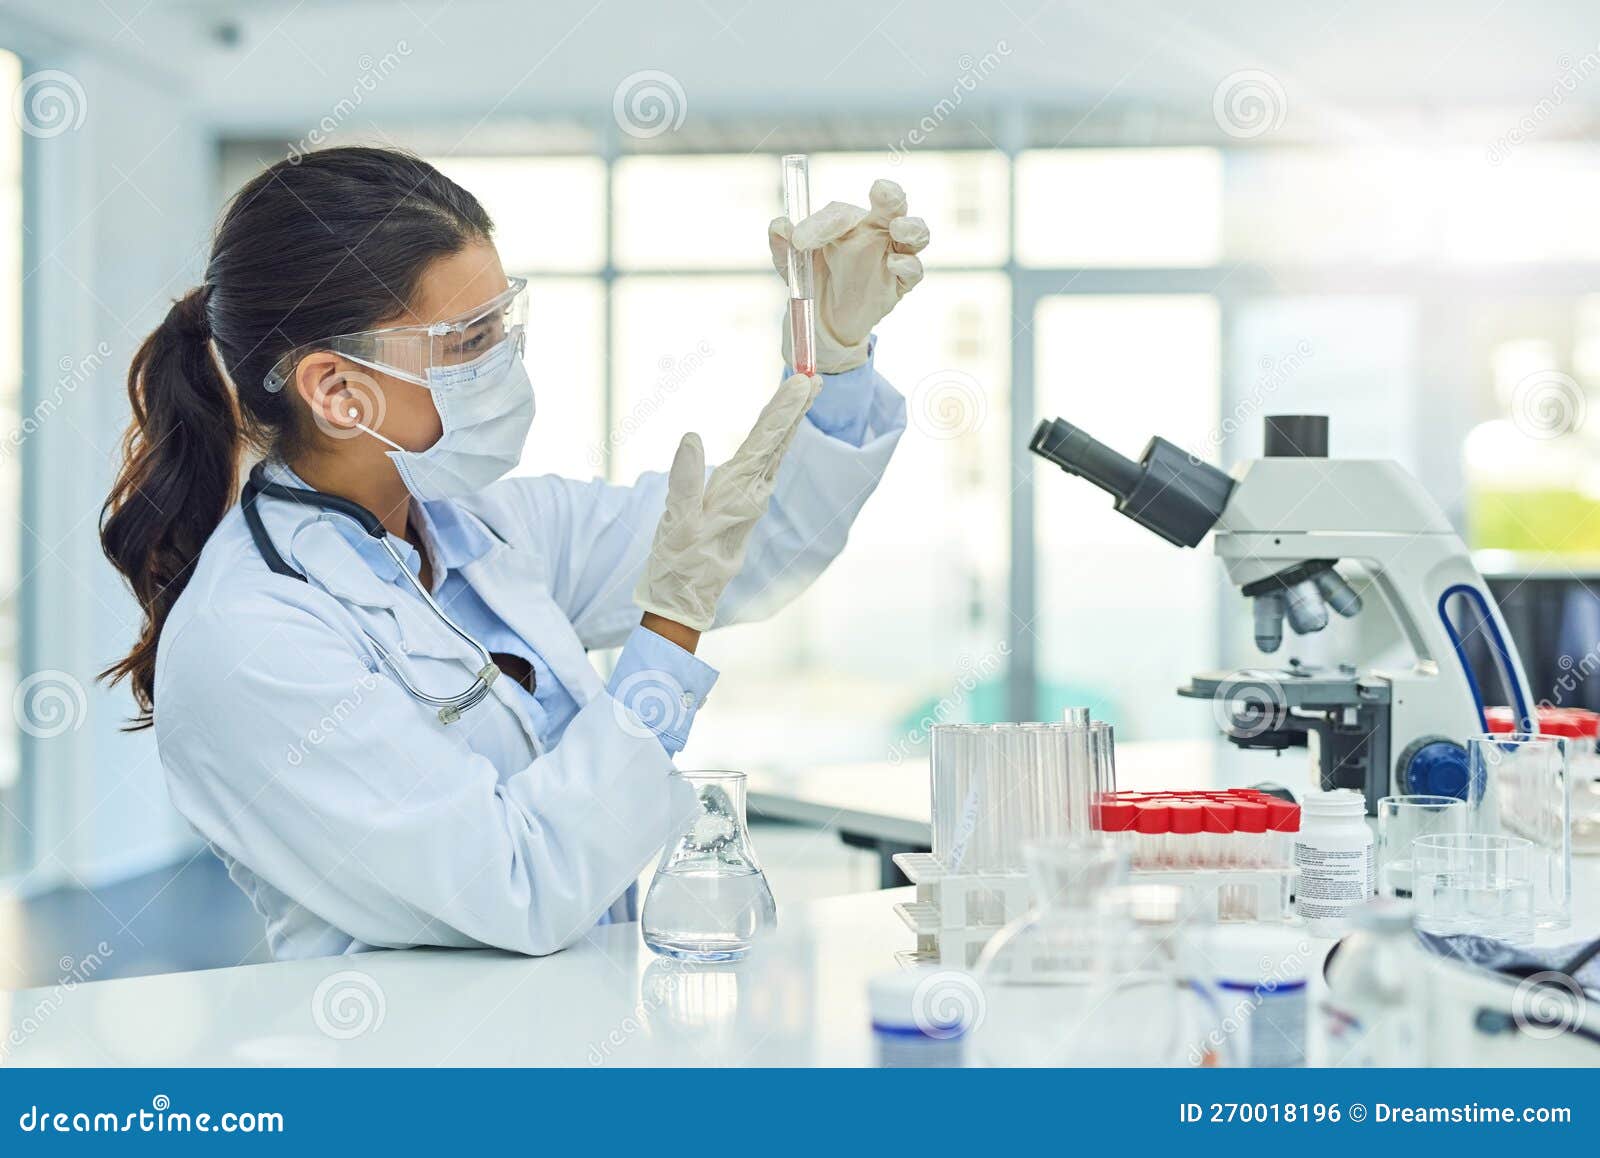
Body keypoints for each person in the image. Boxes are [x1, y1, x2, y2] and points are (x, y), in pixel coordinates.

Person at [98, 146, 928, 960]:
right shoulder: (253, 638)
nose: (504, 365)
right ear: (336, 390)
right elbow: (519, 887)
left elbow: (759, 541)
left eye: (504, 325)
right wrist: (668, 630)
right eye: (467, 342)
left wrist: (835, 358)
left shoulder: (483, 523)